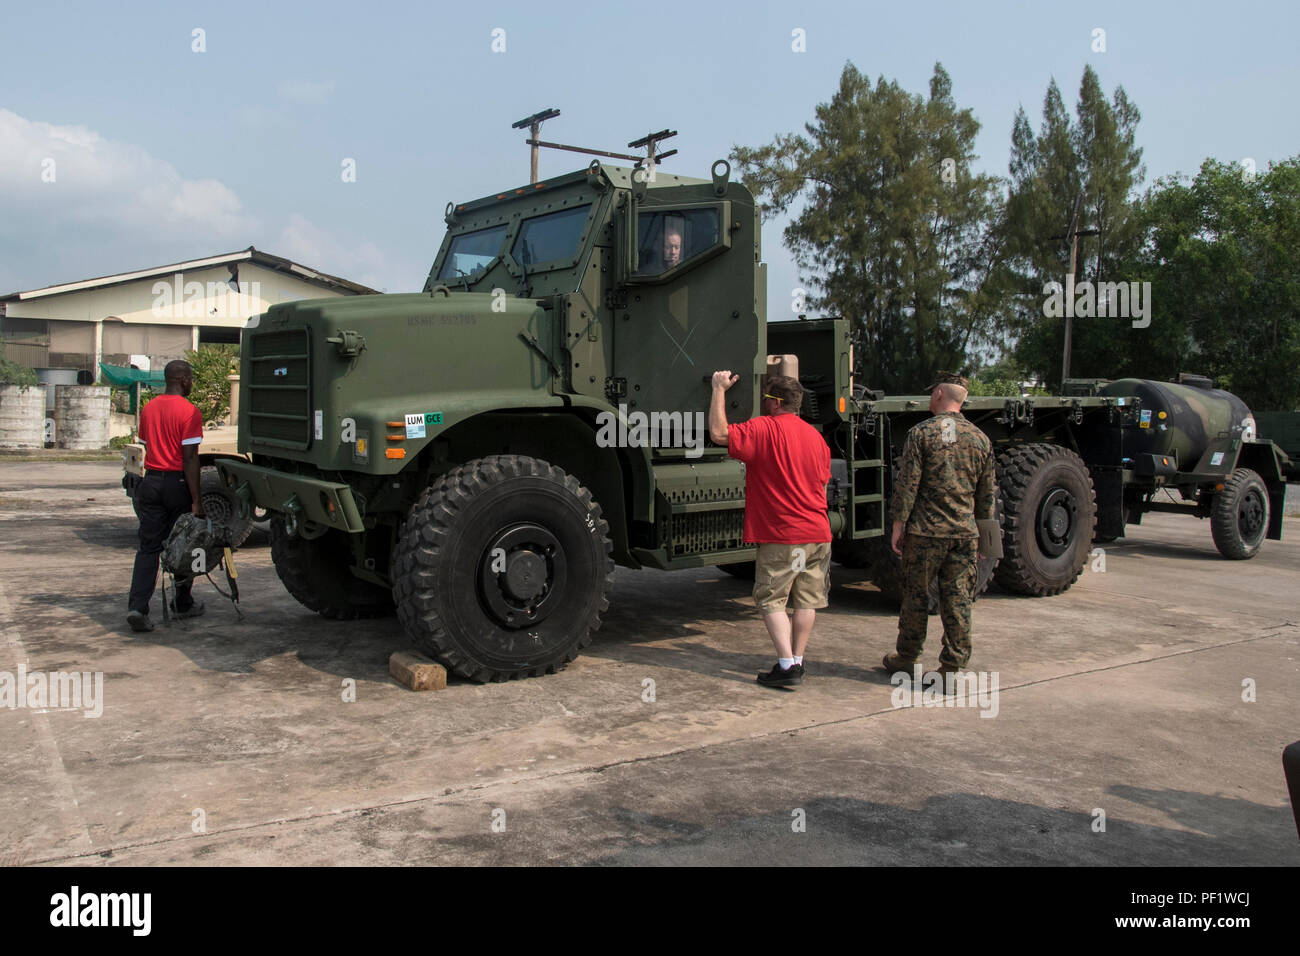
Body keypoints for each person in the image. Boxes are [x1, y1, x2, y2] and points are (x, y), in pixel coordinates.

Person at [710, 370, 831, 689]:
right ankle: (799, 660)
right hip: (817, 533)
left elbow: (720, 434)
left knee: (772, 599)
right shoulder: (816, 437)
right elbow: (821, 480)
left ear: (775, 403)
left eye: (766, 397)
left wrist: (719, 389)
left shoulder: (764, 429)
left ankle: (786, 664)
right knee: (806, 599)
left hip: (783, 535)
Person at [882, 373, 996, 687]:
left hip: (925, 534)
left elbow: (908, 485)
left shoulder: (921, 434)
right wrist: (988, 541)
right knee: (958, 599)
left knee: (916, 597)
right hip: (963, 534)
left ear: (939, 393)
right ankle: (951, 667)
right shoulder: (980, 439)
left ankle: (906, 658)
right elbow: (987, 496)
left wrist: (897, 525)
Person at [126, 359, 206, 632]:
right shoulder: (190, 412)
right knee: (183, 545)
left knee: (148, 548)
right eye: (191, 378)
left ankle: (138, 607)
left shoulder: (149, 408)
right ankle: (182, 603)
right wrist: (196, 499)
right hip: (176, 485)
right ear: (183, 379)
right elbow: (190, 458)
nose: (191, 383)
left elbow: (142, 448)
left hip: (151, 482)